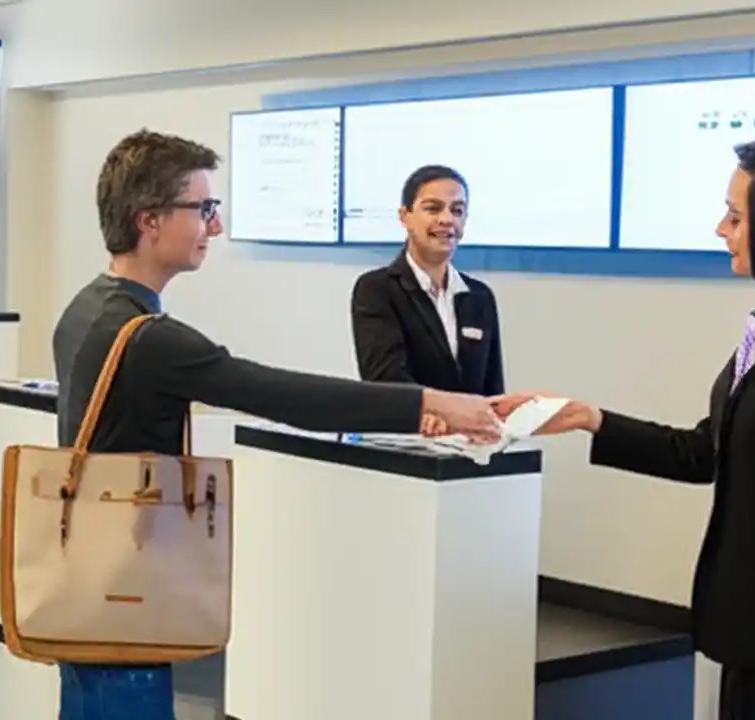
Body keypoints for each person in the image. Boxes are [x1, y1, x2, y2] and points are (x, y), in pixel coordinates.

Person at [51, 129, 502, 720]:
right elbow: (289, 397)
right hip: (124, 587)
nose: (214, 227)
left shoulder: (89, 306)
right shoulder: (151, 339)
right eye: (204, 208)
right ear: (150, 220)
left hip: (86, 576)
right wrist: (429, 403)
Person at [496, 137, 755, 720]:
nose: (721, 229)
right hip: (743, 626)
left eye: (736, 216)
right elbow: (704, 452)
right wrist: (592, 419)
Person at [351, 165, 504, 403]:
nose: (446, 219)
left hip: (471, 438)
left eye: (457, 210)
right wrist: (444, 414)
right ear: (405, 216)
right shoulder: (377, 289)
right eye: (433, 208)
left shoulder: (479, 296)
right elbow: (385, 380)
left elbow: (492, 391)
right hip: (408, 435)